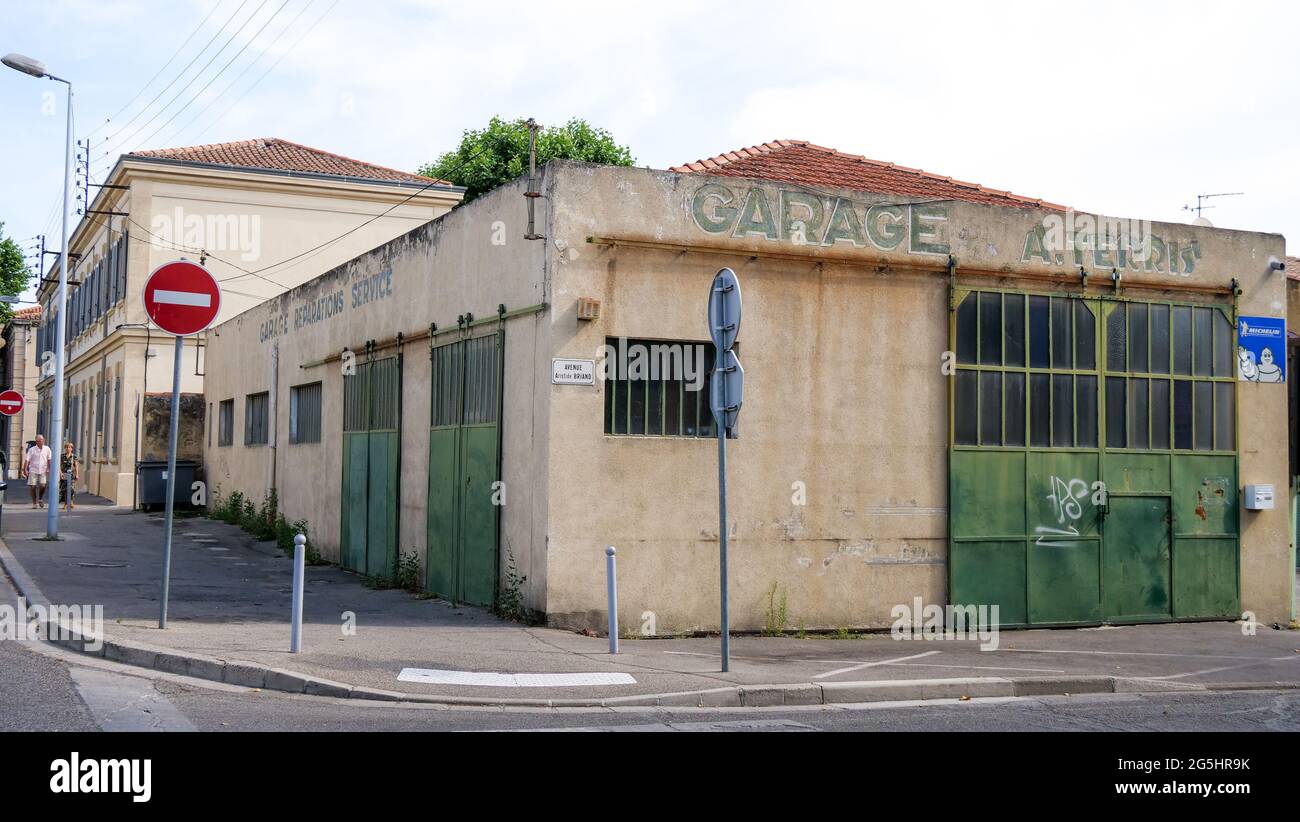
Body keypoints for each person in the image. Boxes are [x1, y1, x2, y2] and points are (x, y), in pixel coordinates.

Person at [20, 434, 53, 509]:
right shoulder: (32, 449)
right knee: (33, 487)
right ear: (36, 442)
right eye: (39, 440)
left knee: (43, 485)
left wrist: (50, 468)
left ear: (44, 440)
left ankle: (40, 498)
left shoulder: (47, 449)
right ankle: (34, 503)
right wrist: (25, 469)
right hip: (33, 470)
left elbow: (49, 459)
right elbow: (27, 460)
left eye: (42, 440)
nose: (41, 441)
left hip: (43, 470)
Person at [59, 441, 79, 511]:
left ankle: (70, 502)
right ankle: (66, 503)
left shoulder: (74, 456)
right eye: (67, 447)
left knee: (71, 489)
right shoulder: (62, 456)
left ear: (72, 448)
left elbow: (76, 466)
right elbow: (59, 465)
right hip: (64, 474)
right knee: (64, 490)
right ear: (65, 448)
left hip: (71, 475)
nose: (68, 448)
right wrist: (60, 473)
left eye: (69, 447)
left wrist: (77, 474)